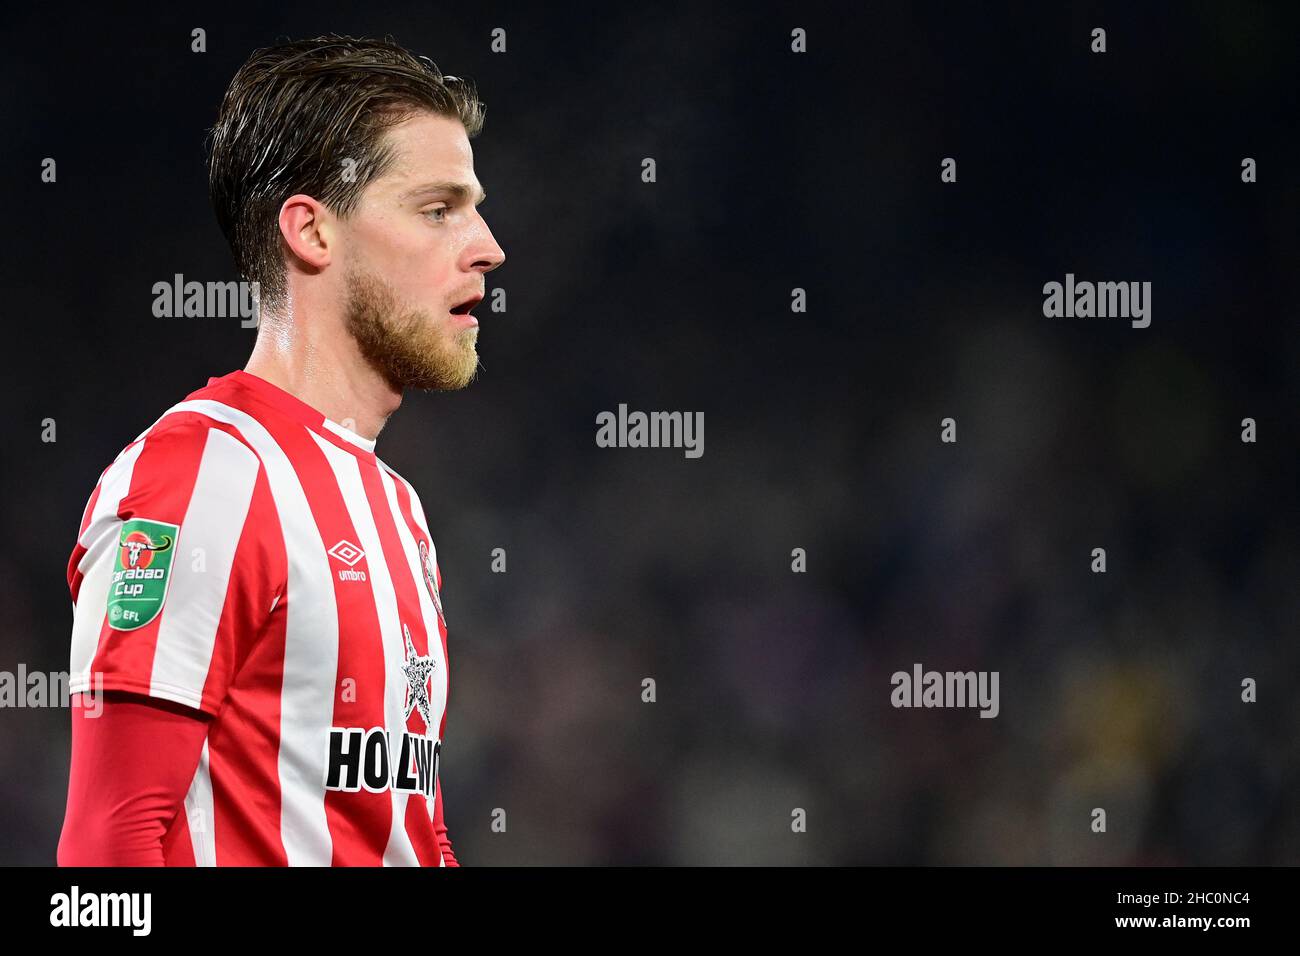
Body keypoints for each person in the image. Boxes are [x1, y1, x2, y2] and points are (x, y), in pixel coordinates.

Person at [56, 33, 505, 866]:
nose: (487, 246)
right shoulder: (201, 477)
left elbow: (412, 833)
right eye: (438, 209)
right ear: (313, 232)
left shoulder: (397, 508)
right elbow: (105, 853)